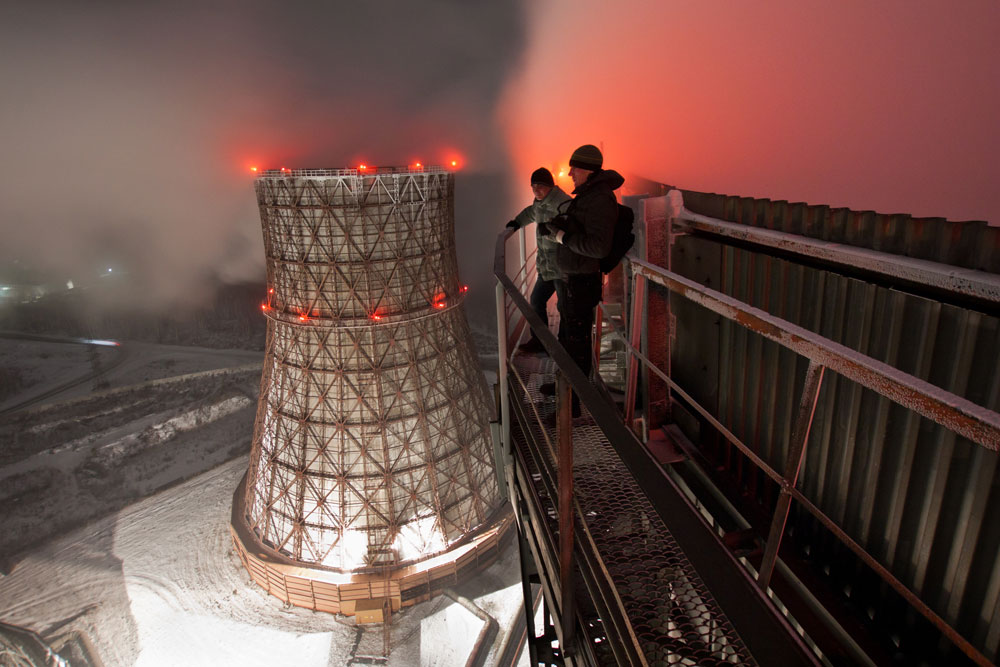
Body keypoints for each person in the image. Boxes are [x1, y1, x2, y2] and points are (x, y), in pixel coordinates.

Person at [538, 144, 624, 416]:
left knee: (576, 342)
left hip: (581, 282)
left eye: (575, 168)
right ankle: (565, 386)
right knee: (568, 337)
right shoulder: (589, 195)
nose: (571, 173)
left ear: (587, 169)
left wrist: (561, 237)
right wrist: (559, 225)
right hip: (572, 280)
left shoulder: (599, 198)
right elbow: (584, 226)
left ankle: (571, 405)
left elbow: (598, 247)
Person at [505, 167, 571, 353]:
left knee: (564, 305)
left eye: (540, 186)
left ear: (550, 186)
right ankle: (539, 341)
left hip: (562, 266)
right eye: (533, 186)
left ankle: (564, 343)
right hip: (546, 267)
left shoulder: (563, 204)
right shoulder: (539, 204)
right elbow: (530, 213)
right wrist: (516, 223)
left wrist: (551, 231)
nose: (536, 190)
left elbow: (571, 231)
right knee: (535, 300)